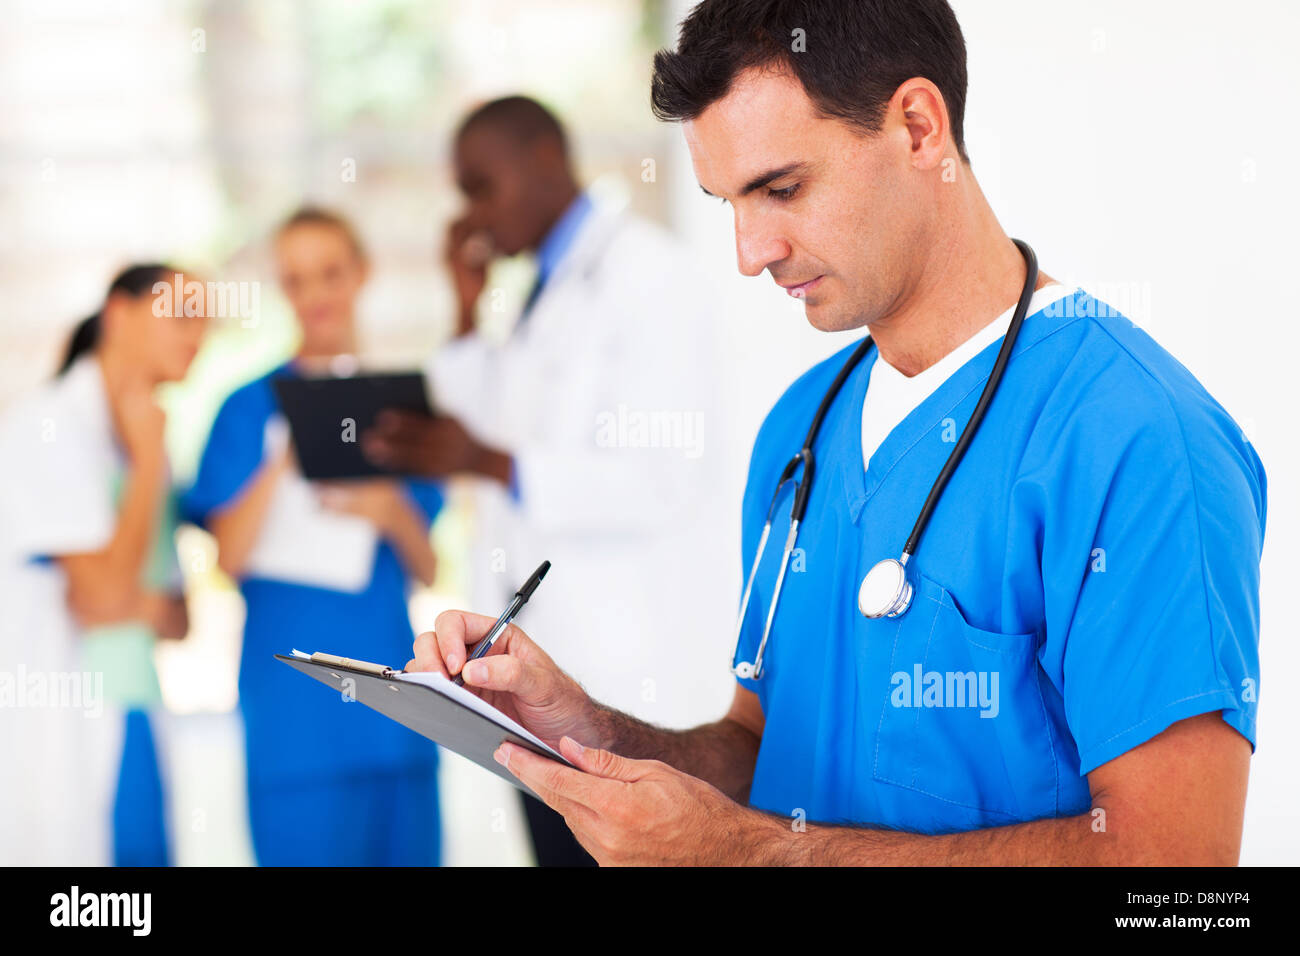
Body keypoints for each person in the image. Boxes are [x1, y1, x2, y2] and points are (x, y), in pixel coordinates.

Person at [406, 0, 1266, 865]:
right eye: (728, 201)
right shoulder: (801, 431)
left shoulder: (1138, 440)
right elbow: (762, 750)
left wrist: (752, 854)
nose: (750, 251)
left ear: (920, 128)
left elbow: (1175, 877)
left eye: (782, 188)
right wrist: (589, 729)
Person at [363, 96, 733, 866]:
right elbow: (482, 429)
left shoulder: (645, 273)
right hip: (536, 687)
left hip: (624, 684)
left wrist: (486, 460)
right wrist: (465, 310)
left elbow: (664, 474)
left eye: (479, 186)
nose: (468, 213)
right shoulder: (543, 290)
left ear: (541, 162)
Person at [181, 208, 445, 866]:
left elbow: (431, 566)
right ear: (282, 290)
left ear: (361, 275)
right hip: (295, 723)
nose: (316, 295)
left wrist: (389, 510)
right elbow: (227, 560)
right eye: (296, 280)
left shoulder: (403, 407)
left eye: (330, 273)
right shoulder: (246, 407)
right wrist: (286, 455)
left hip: (394, 713)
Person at [0, 263, 206, 865]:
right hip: (62, 722)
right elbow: (103, 599)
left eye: (208, 323)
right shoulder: (49, 427)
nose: (198, 336)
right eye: (184, 315)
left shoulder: (146, 443)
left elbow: (179, 618)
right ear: (119, 313)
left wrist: (147, 462)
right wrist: (145, 466)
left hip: (134, 710)